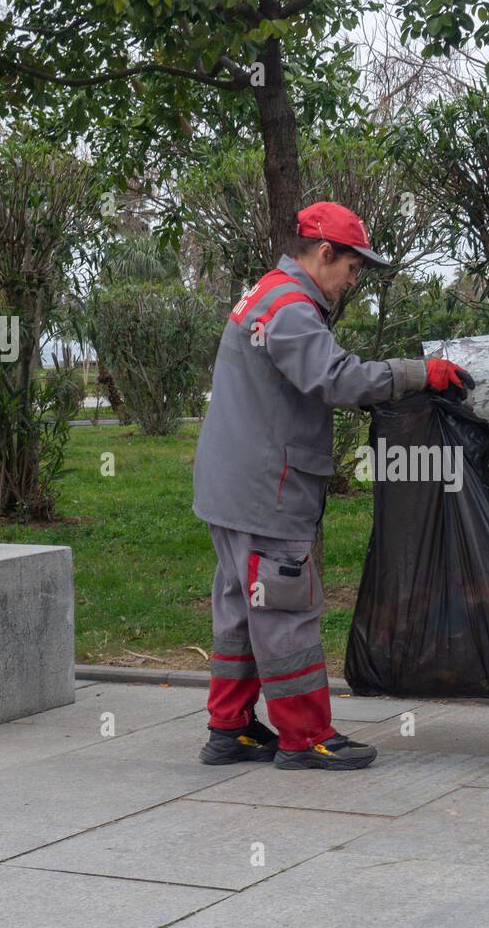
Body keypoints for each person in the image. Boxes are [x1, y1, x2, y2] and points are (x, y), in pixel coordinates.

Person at [192, 201, 474, 771]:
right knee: (281, 608)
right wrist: (419, 373)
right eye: (352, 268)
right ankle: (305, 737)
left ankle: (231, 729)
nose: (353, 281)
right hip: (264, 491)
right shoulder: (293, 308)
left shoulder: (266, 292)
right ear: (325, 253)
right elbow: (338, 379)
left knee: (243, 607)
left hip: (232, 487)